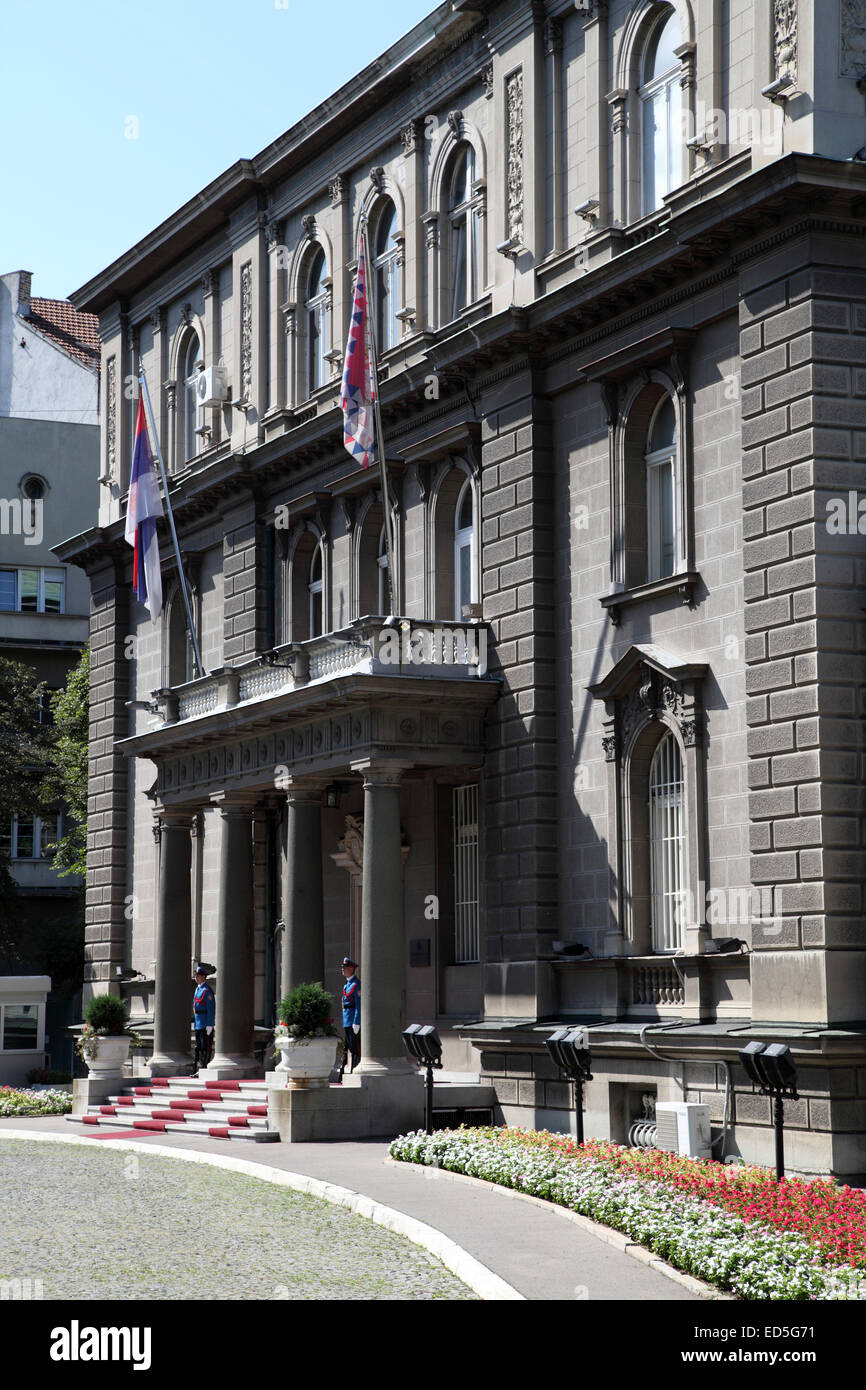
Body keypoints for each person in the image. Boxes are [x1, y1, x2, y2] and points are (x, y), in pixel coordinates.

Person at [339, 957, 360, 1079]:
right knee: (348, 1047)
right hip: (347, 1020)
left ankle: (354, 1070)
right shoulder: (347, 984)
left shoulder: (356, 984)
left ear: (351, 969)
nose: (342, 969)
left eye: (345, 967)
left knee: (355, 1047)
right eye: (342, 967)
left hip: (352, 1020)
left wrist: (356, 1022)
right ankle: (347, 1070)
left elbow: (358, 1004)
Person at [192, 965, 215, 1072]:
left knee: (206, 1046)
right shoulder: (198, 989)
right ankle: (196, 1067)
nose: (196, 978)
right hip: (198, 1022)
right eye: (196, 976)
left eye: (198, 976)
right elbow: (195, 1006)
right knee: (198, 1047)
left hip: (205, 1022)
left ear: (203, 977)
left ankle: (204, 1067)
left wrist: (210, 1024)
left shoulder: (207, 990)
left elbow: (211, 1008)